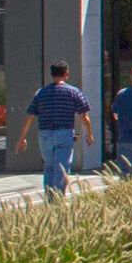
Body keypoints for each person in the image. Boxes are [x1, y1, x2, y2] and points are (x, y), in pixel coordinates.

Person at [14, 60, 94, 198]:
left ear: (51, 74)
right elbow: (84, 116)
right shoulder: (73, 92)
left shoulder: (41, 93)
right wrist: (89, 133)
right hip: (64, 132)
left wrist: (22, 137)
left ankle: (50, 196)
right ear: (66, 74)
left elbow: (30, 116)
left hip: (44, 133)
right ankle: (57, 197)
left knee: (49, 165)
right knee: (62, 167)